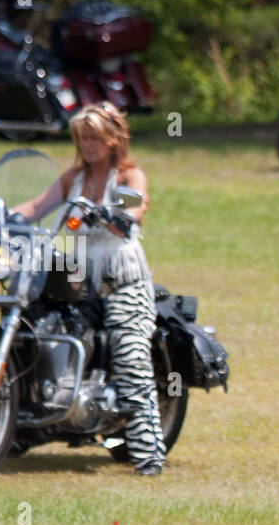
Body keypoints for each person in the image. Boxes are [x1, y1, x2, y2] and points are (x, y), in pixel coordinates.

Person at [11, 102, 165, 476]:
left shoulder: (128, 176)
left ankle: (148, 455)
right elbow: (37, 205)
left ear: (113, 139)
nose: (88, 144)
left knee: (130, 357)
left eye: (95, 137)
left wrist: (119, 215)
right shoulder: (74, 180)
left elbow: (136, 207)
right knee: (35, 331)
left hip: (123, 283)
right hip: (78, 281)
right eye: (83, 137)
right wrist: (5, 218)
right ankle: (28, 425)